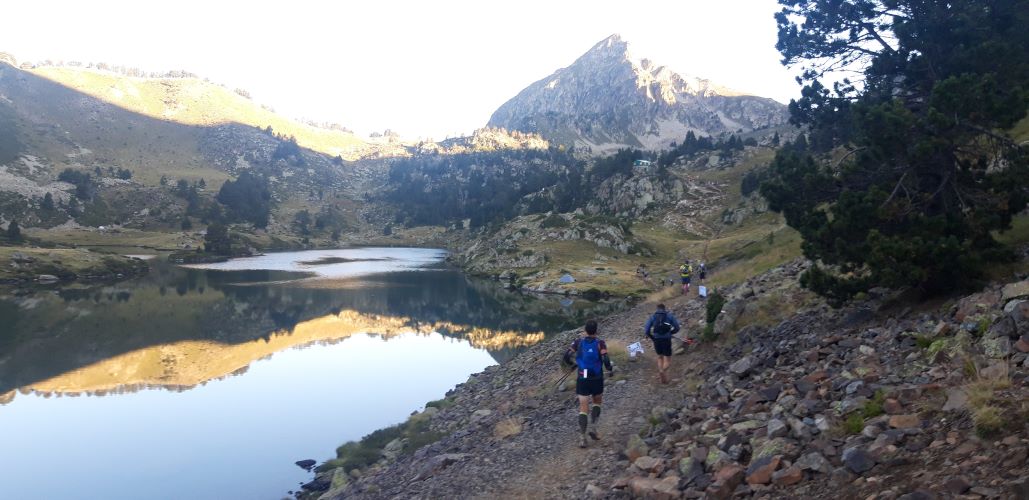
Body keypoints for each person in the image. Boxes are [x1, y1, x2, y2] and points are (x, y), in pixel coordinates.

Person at [562, 319, 614, 448]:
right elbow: (606, 358)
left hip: (583, 376)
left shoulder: (578, 342)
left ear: (585, 330)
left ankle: (582, 438)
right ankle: (594, 428)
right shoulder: (600, 343)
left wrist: (573, 365)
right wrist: (609, 368)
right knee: (597, 402)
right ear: (596, 331)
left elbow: (566, 355)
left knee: (583, 407)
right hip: (596, 376)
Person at [644, 304, 681, 384]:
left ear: (657, 309)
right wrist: (671, 333)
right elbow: (677, 327)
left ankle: (661, 372)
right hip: (666, 339)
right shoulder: (669, 316)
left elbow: (647, 330)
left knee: (660, 357)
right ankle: (662, 371)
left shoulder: (652, 317)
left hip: (656, 339)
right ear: (664, 309)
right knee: (667, 359)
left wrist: (651, 337)